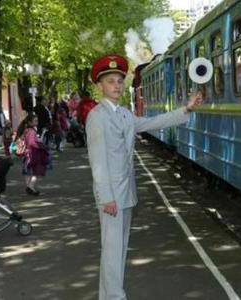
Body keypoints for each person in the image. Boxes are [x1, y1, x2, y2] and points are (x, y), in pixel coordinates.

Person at [85, 54, 203, 300]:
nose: (117, 85)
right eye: (110, 81)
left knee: (119, 249)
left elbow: (152, 122)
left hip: (126, 193)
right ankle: (115, 297)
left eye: (119, 81)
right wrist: (106, 196)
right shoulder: (97, 117)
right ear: (99, 86)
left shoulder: (125, 114)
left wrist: (187, 109)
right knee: (112, 249)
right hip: (111, 197)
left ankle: (108, 296)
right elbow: (98, 162)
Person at [16, 114, 48, 196]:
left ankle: (29, 188)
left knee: (27, 172)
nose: (37, 122)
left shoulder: (25, 130)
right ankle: (31, 187)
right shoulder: (32, 131)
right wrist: (40, 146)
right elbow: (32, 143)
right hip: (33, 154)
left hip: (26, 154)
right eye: (35, 121)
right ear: (30, 122)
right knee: (36, 172)